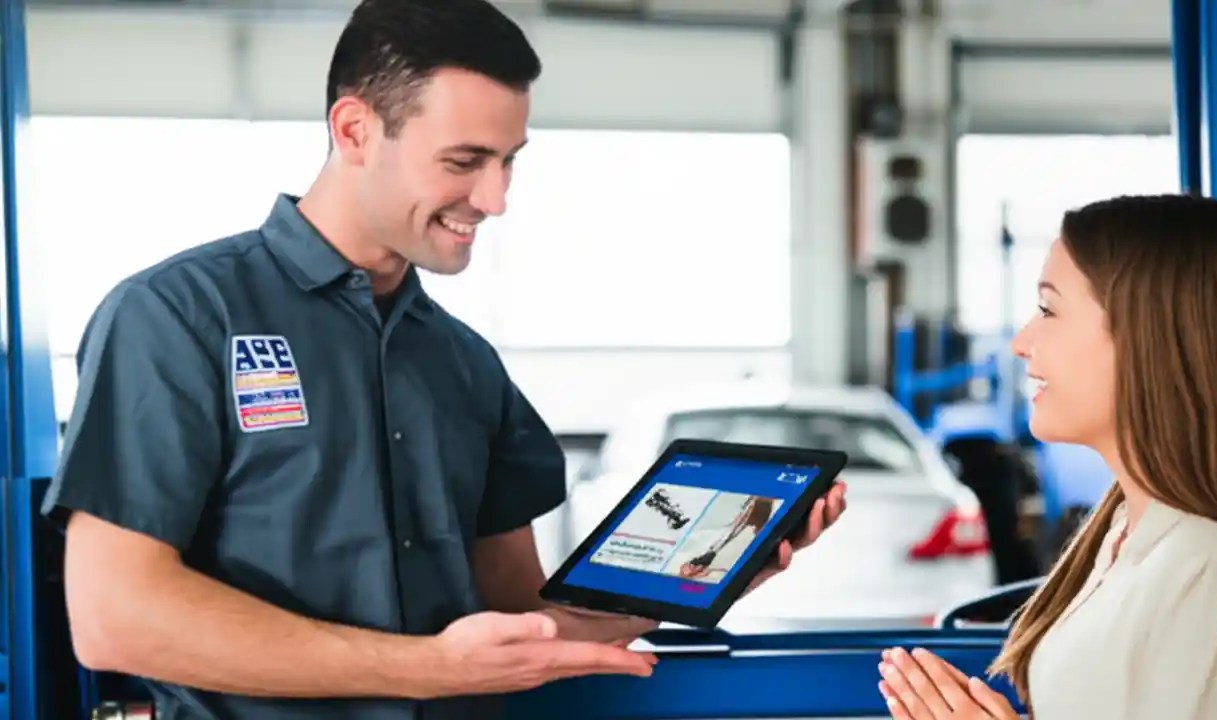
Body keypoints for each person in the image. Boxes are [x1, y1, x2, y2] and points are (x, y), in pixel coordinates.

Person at [42, 1, 848, 719]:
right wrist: (429, 670)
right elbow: (117, 618)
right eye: (464, 162)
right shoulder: (180, 316)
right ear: (354, 130)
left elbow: (522, 626)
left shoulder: (464, 364)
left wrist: (716, 577)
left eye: (510, 160)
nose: (496, 199)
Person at [875, 194, 1217, 720]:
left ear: (1145, 337)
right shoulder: (1121, 533)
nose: (1022, 341)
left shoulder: (1210, 569)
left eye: (1048, 309)